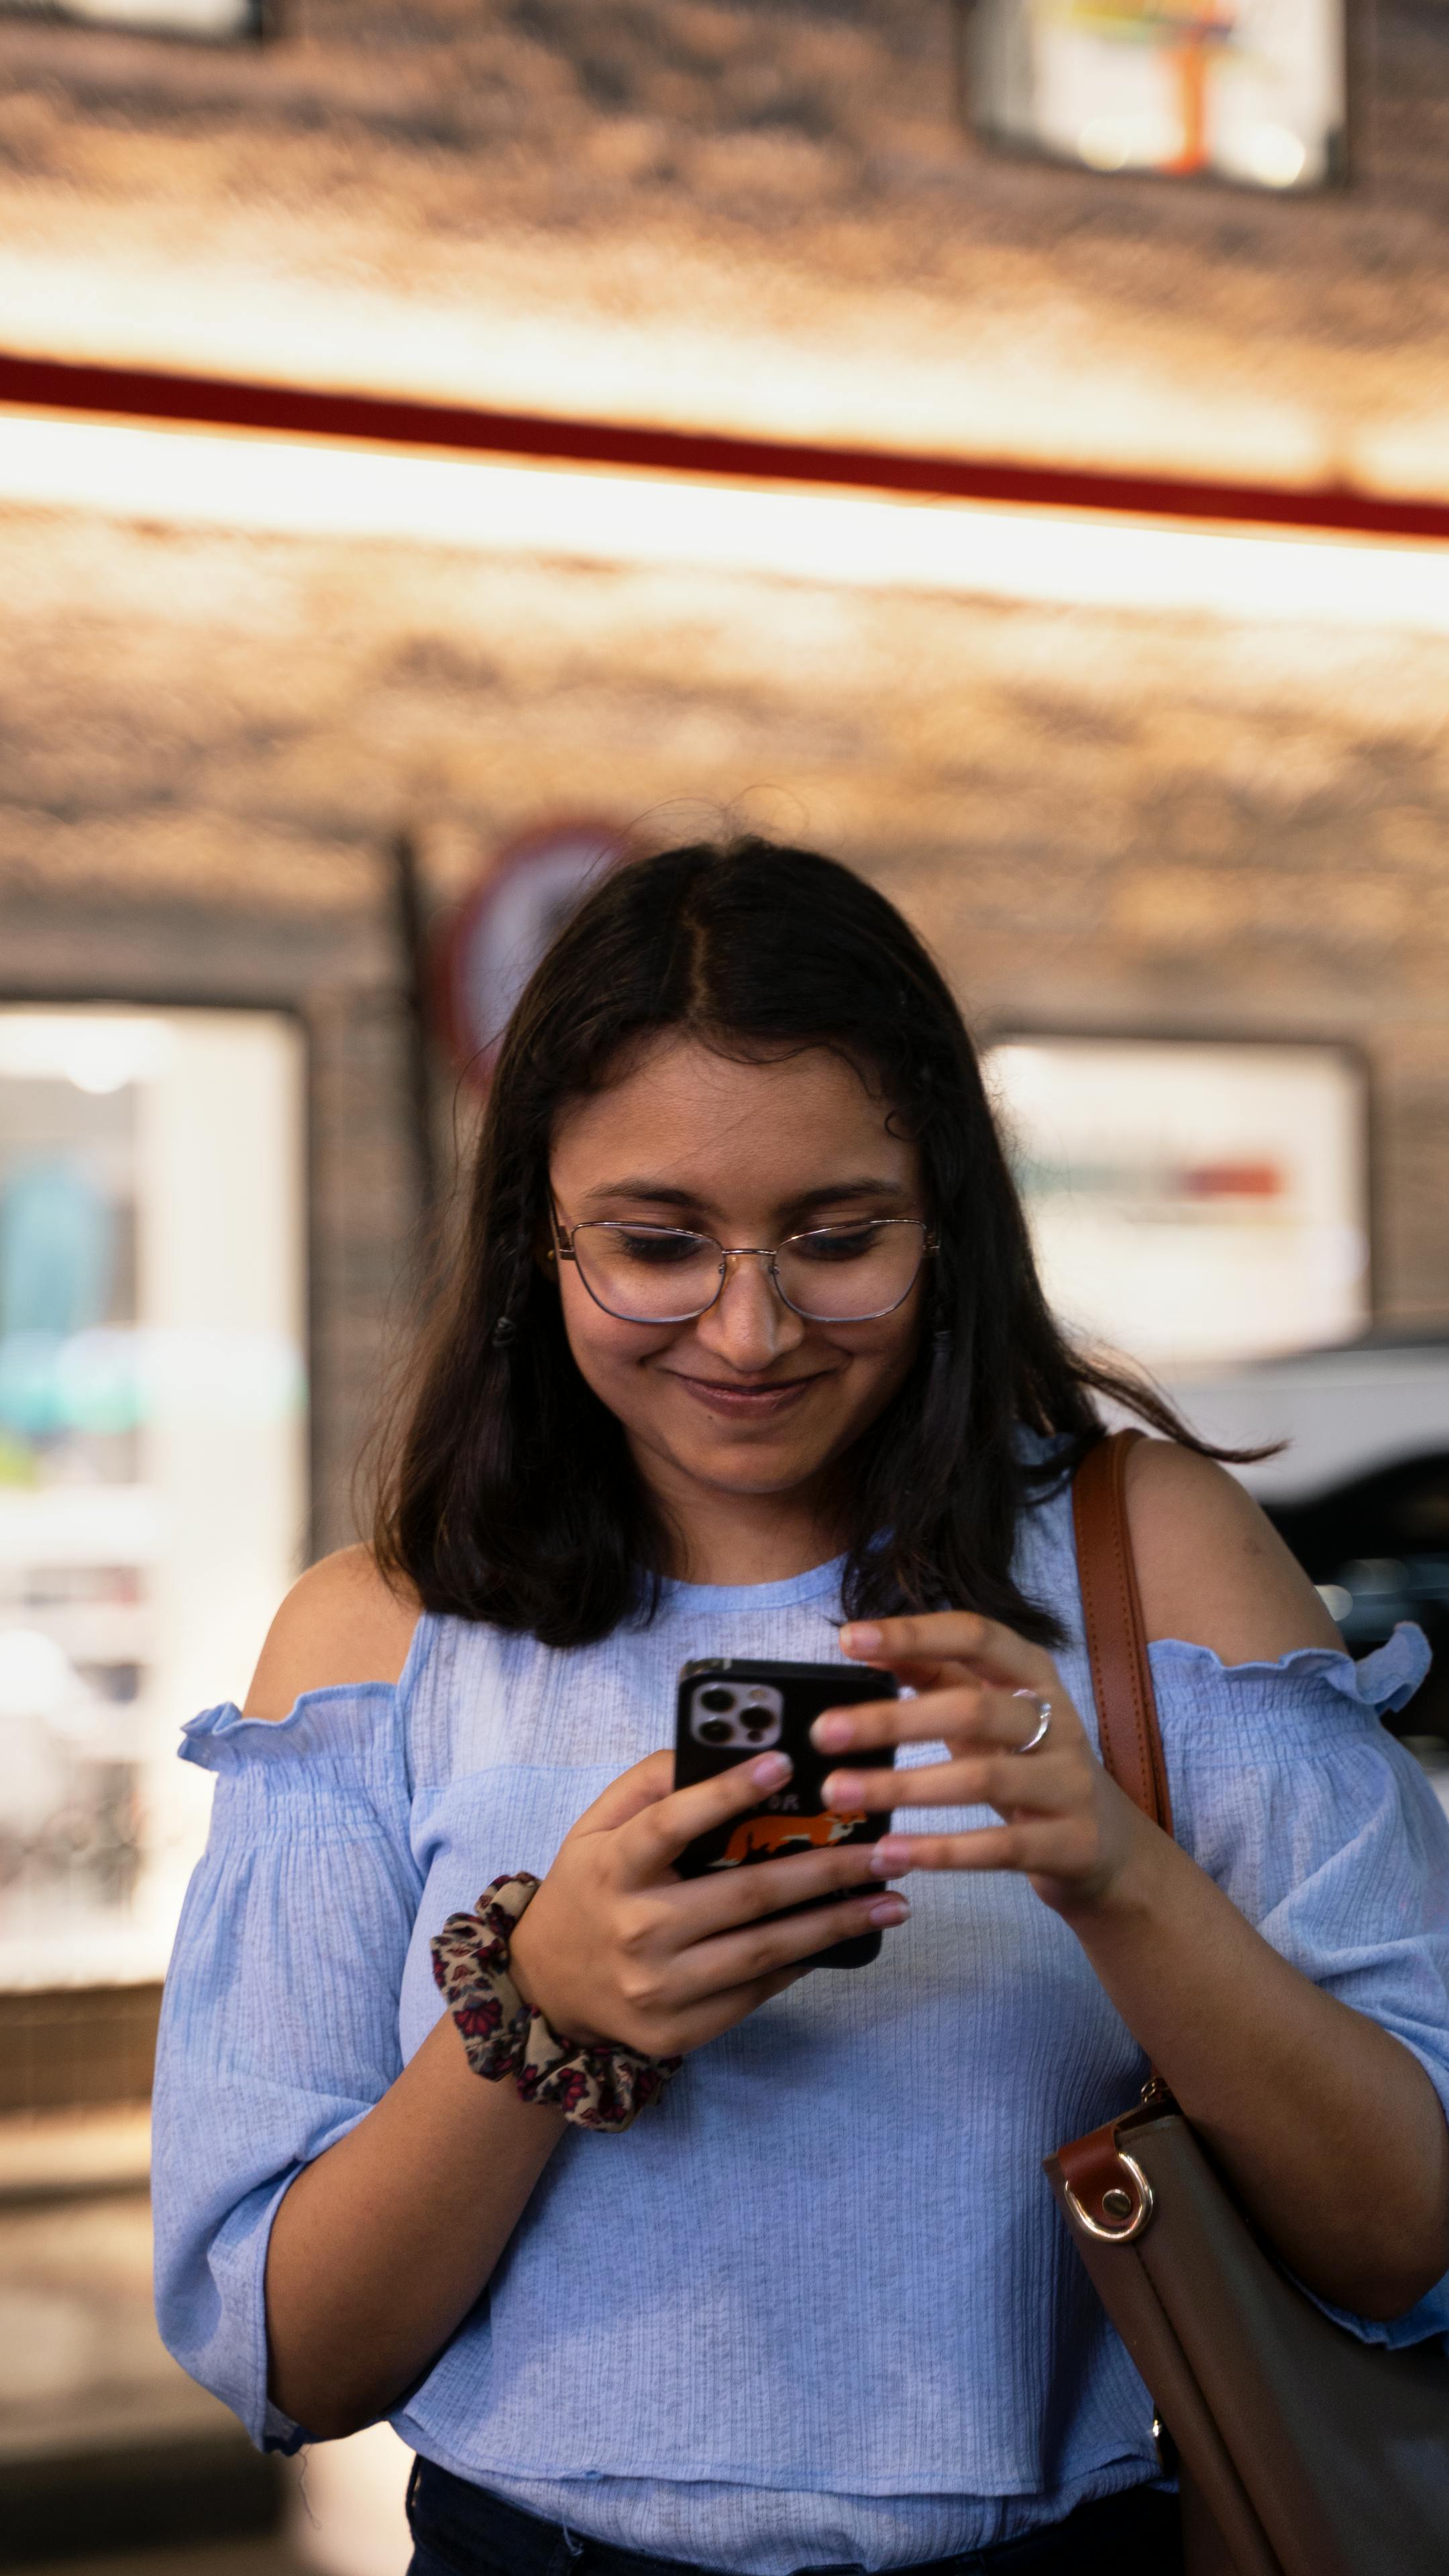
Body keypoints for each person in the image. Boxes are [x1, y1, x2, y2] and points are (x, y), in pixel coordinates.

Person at [152, 839, 1449, 2576]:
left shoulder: (1156, 1564)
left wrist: (1124, 1881)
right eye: (657, 1243)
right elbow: (288, 2356)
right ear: (540, 1227)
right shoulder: (379, 1643)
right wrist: (537, 2009)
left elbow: (1406, 2241)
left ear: (949, 1220)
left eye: (837, 1238)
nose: (749, 1329)